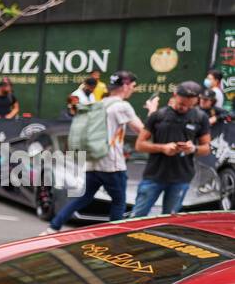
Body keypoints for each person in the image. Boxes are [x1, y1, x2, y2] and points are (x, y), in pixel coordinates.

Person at [45, 70, 144, 233]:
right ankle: (113, 237)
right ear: (125, 86)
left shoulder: (100, 104)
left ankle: (54, 226)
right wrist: (152, 110)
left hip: (92, 161)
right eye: (133, 86)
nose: (133, 89)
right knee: (119, 202)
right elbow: (142, 131)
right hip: (112, 164)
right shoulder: (122, 106)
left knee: (84, 197)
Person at [130, 80, 212, 217]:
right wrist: (163, 148)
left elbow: (206, 148)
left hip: (181, 177)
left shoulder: (200, 118)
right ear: (175, 95)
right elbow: (139, 145)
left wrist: (192, 149)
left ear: (196, 101)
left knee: (170, 219)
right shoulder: (158, 116)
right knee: (138, 216)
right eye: (181, 104)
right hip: (154, 175)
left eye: (189, 105)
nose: (184, 108)